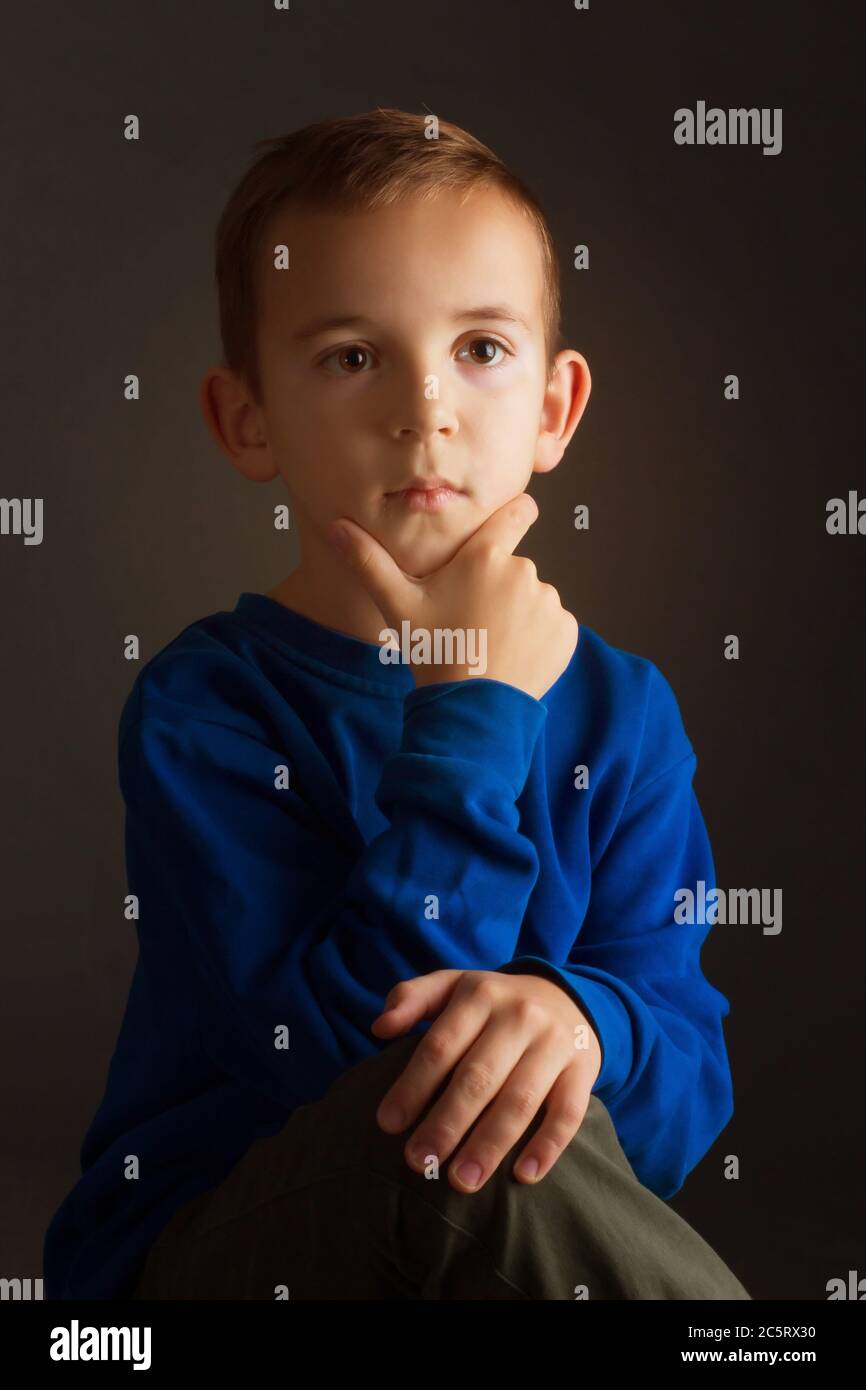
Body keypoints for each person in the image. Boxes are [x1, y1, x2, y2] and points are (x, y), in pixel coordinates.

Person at [43, 108, 751, 1300]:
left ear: (552, 410)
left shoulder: (624, 713)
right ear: (245, 418)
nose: (424, 407)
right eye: (351, 356)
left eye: (480, 348)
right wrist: (470, 704)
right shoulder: (205, 707)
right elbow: (332, 1063)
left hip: (497, 1233)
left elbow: (683, 1100)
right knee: (453, 1106)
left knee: (525, 1096)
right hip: (222, 1254)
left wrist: (583, 1025)